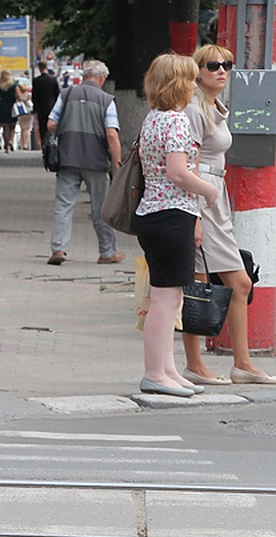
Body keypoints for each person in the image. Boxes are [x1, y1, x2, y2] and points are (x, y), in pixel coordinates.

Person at [181, 45, 276, 385]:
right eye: (213, 65)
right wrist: (192, 214)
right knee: (203, 282)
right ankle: (197, 364)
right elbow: (187, 161)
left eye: (227, 65)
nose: (221, 70)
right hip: (201, 197)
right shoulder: (193, 109)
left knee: (233, 282)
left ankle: (240, 363)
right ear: (197, 70)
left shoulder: (212, 106)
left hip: (214, 196)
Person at [134, 53, 219, 397]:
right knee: (166, 302)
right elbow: (178, 172)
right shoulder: (178, 121)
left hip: (153, 213)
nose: (193, 85)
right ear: (177, 84)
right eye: (189, 79)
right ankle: (156, 372)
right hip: (173, 214)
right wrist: (208, 190)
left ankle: (168, 370)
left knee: (164, 298)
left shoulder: (152, 118)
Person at [46, 60, 125, 266]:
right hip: (96, 161)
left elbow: (51, 123)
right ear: (101, 78)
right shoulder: (106, 100)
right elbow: (111, 134)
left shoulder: (67, 94)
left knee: (63, 205)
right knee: (101, 208)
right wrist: (117, 164)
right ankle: (107, 252)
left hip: (68, 158)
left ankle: (59, 248)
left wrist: (66, 136)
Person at [32, 62, 60, 149]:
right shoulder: (53, 79)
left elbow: (35, 95)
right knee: (51, 126)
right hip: (51, 107)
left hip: (41, 108)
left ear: (39, 68)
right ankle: (52, 143)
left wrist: (35, 108)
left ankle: (44, 144)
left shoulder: (36, 80)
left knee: (42, 127)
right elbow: (57, 94)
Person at [0, 70, 22, 153]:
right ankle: (10, 141)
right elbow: (19, 96)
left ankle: (6, 146)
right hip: (12, 107)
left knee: (5, 128)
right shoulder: (14, 85)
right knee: (12, 127)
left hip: (2, 107)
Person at [16, 78, 35, 150]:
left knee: (22, 129)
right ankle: (25, 145)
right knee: (27, 129)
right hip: (28, 112)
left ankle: (22, 143)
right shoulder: (28, 94)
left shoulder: (18, 95)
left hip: (21, 112)